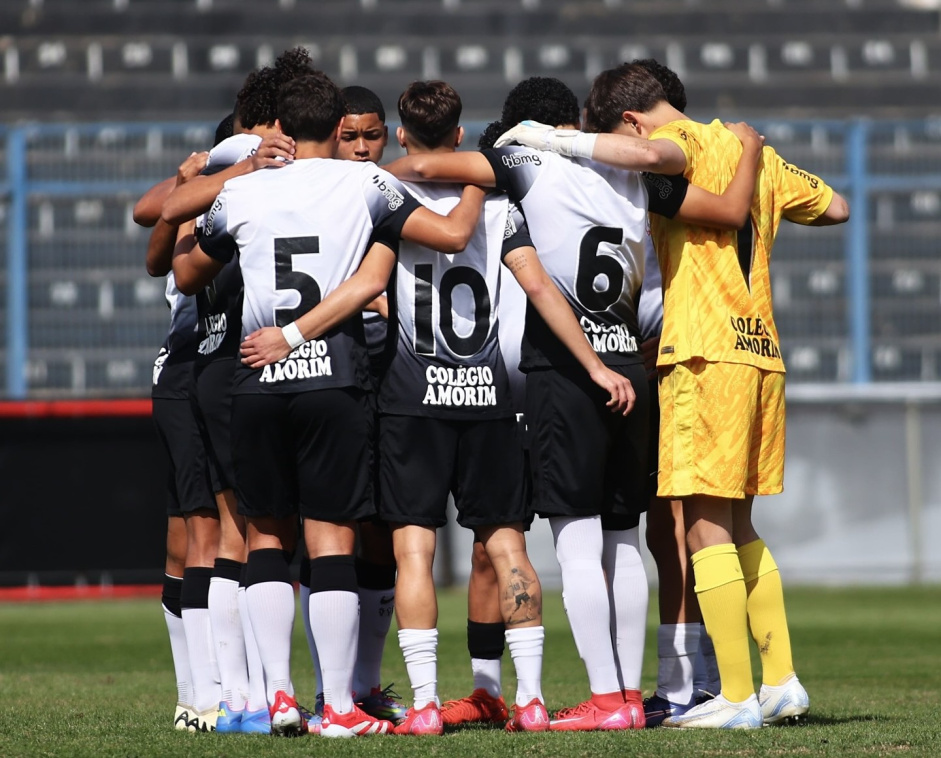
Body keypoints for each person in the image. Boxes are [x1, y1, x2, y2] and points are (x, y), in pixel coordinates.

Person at [386, 75, 762, 732]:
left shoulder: (523, 161)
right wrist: (750, 152)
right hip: (628, 362)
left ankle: (606, 697)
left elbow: (419, 164)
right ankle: (631, 693)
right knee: (624, 541)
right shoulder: (635, 181)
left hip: (566, 373)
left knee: (577, 544)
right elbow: (729, 213)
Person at [511, 61, 849, 728]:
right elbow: (836, 206)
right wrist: (756, 157)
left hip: (702, 352)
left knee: (700, 527)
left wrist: (552, 139)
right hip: (760, 352)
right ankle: (778, 680)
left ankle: (732, 694)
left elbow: (649, 154)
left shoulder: (685, 147)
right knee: (740, 523)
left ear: (631, 119)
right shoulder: (762, 157)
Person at [170, 71, 485, 739]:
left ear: (280, 128)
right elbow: (448, 238)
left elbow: (187, 267)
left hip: (256, 378)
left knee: (263, 537)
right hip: (333, 377)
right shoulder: (366, 183)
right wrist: (477, 186)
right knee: (331, 538)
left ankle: (277, 699)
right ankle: (338, 704)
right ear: (338, 125)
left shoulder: (244, 191)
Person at [135, 146, 220, 733]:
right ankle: (202, 695)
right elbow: (147, 211)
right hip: (189, 368)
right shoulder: (205, 198)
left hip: (208, 370)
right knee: (200, 531)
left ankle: (201, 695)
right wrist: (194, 177)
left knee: (194, 535)